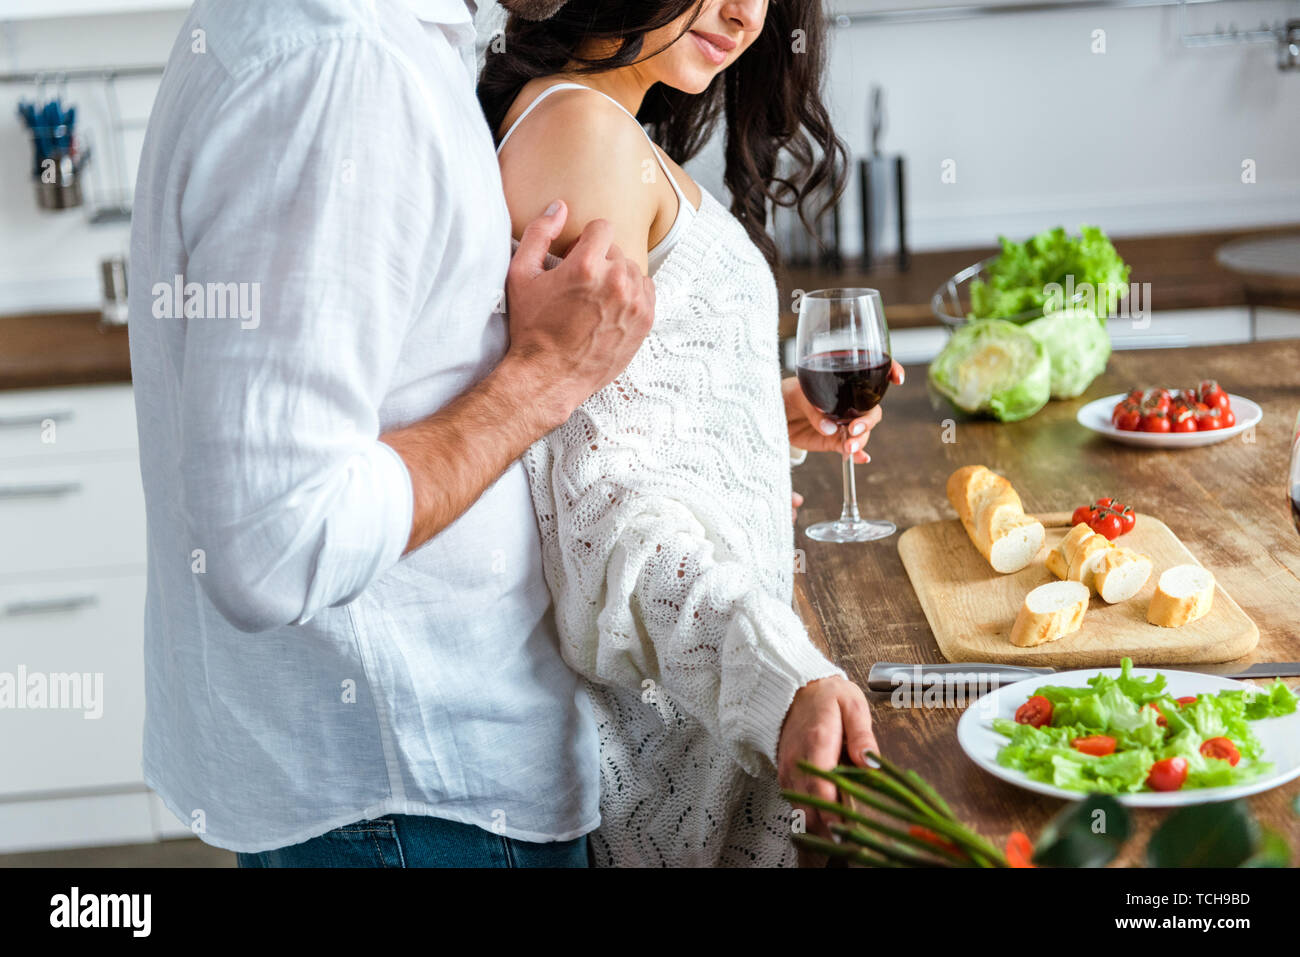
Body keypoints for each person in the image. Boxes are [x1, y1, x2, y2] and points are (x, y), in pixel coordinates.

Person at [127, 0, 655, 867]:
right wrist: (540, 380)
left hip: (384, 790)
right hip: (413, 806)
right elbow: (275, 541)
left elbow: (415, 366)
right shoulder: (342, 69)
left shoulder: (360, 38)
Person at [480, 0, 904, 866]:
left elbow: (618, 429)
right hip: (682, 739)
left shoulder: (594, 120)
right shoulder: (584, 137)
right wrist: (780, 680)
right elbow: (603, 514)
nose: (746, 12)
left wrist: (751, 419)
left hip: (694, 718)